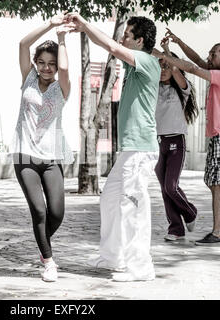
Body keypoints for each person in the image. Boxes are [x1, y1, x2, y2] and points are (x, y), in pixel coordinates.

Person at [66, 13, 160, 282]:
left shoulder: (146, 61)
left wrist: (84, 25)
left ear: (140, 40)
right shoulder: (133, 67)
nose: (122, 37)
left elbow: (111, 46)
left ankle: (140, 268)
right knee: (110, 199)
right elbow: (114, 48)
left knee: (133, 207)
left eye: (128, 35)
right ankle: (112, 256)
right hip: (131, 150)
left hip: (141, 149)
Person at [153, 28, 220, 245]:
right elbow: (195, 60)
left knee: (216, 183)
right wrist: (177, 42)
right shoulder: (216, 71)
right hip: (217, 136)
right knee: (213, 182)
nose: (209, 57)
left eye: (213, 55)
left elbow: (191, 67)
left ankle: (218, 232)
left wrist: (164, 56)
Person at [12, 13, 73, 282]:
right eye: (42, 63)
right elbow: (23, 45)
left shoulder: (62, 87)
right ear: (36, 64)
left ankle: (42, 242)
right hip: (25, 155)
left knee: (56, 213)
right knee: (38, 211)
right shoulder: (28, 79)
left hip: (51, 157)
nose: (47, 68)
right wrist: (50, 24)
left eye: (52, 64)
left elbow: (67, 69)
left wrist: (61, 38)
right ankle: (48, 261)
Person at [154, 42, 199, 242]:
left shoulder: (181, 90)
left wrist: (167, 55)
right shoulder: (153, 89)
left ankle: (190, 212)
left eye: (167, 67)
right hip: (157, 142)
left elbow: (177, 73)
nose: (163, 71)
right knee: (164, 190)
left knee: (171, 186)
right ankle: (176, 229)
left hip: (176, 142)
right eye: (160, 67)